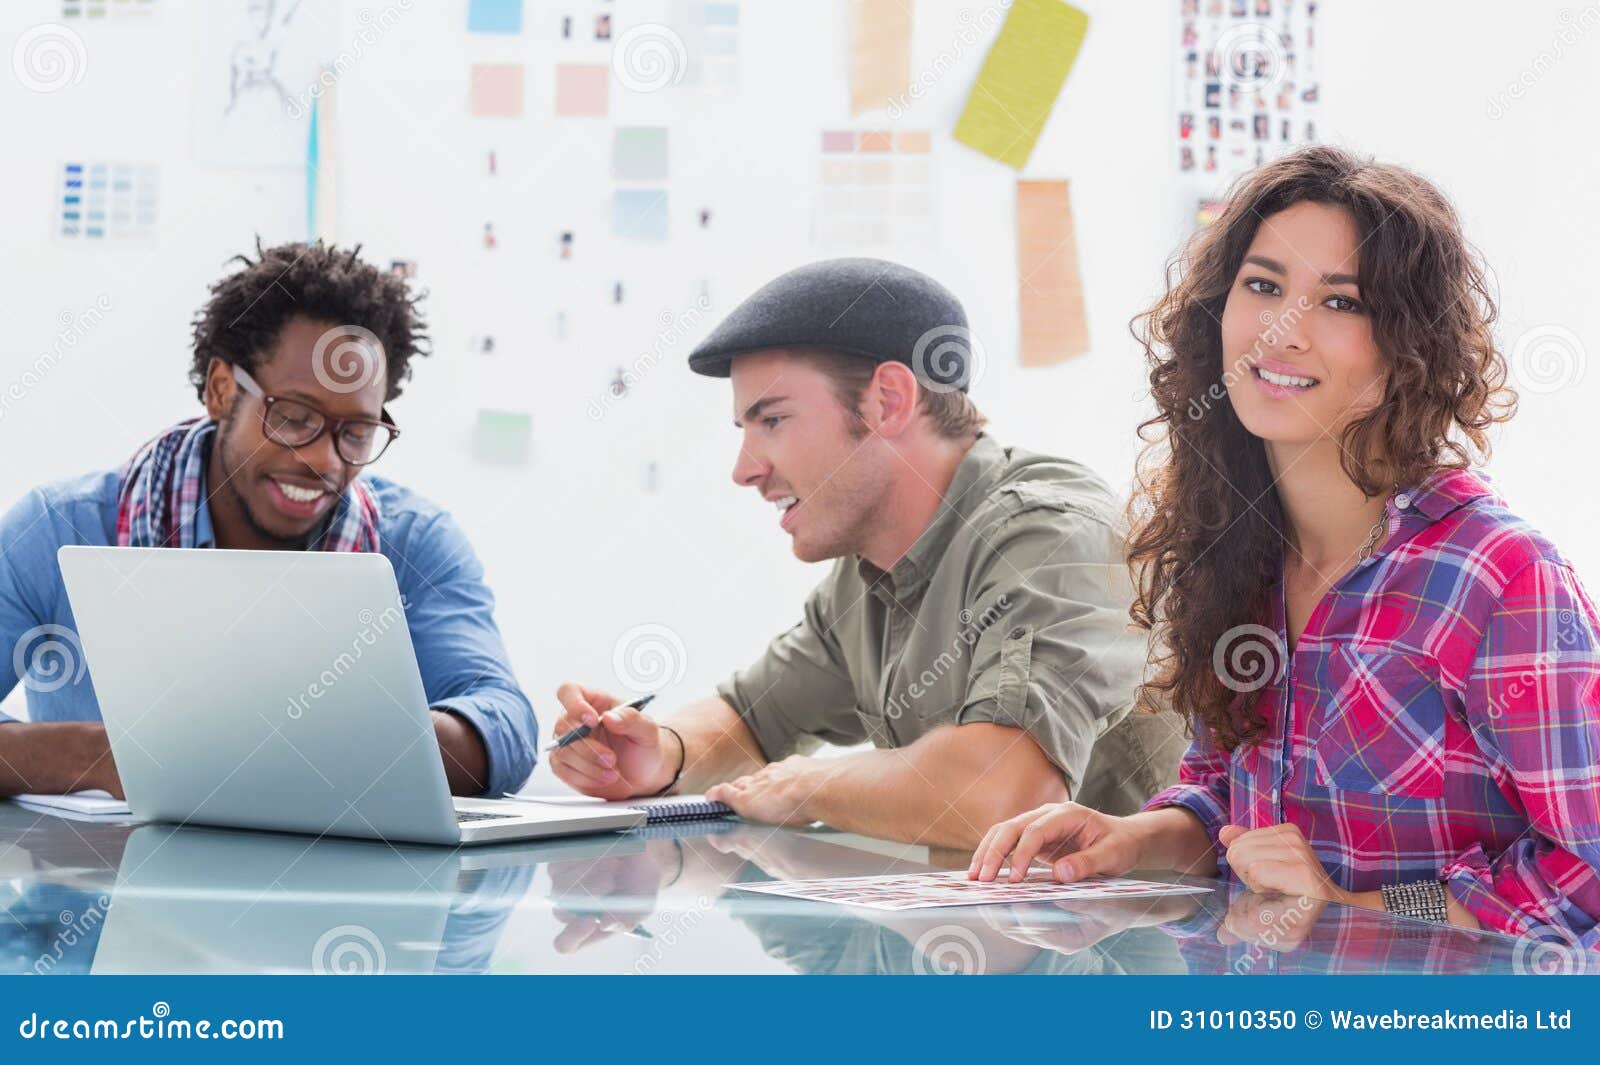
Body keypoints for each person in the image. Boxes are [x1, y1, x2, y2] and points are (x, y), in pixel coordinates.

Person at [970, 146, 1600, 948]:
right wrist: (1130, 839)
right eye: (1263, 286)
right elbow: (1225, 798)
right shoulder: (1237, 549)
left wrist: (1352, 902)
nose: (1282, 329)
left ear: (1408, 347)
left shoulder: (1499, 579)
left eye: (1340, 303)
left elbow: (1587, 876)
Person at [549, 258, 1184, 848]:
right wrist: (659, 753)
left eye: (771, 420)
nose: (744, 470)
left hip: (1134, 953)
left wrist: (808, 785)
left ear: (889, 401)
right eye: (744, 430)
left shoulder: (1049, 536)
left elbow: (1002, 793)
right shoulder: (867, 571)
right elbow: (750, 718)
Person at [0, 241, 536, 799]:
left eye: (355, 432)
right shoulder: (60, 530)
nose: (325, 460)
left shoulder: (412, 543)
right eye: (295, 417)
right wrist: (100, 757)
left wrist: (350, 742)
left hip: (340, 881)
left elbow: (503, 726)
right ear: (221, 391)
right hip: (105, 880)